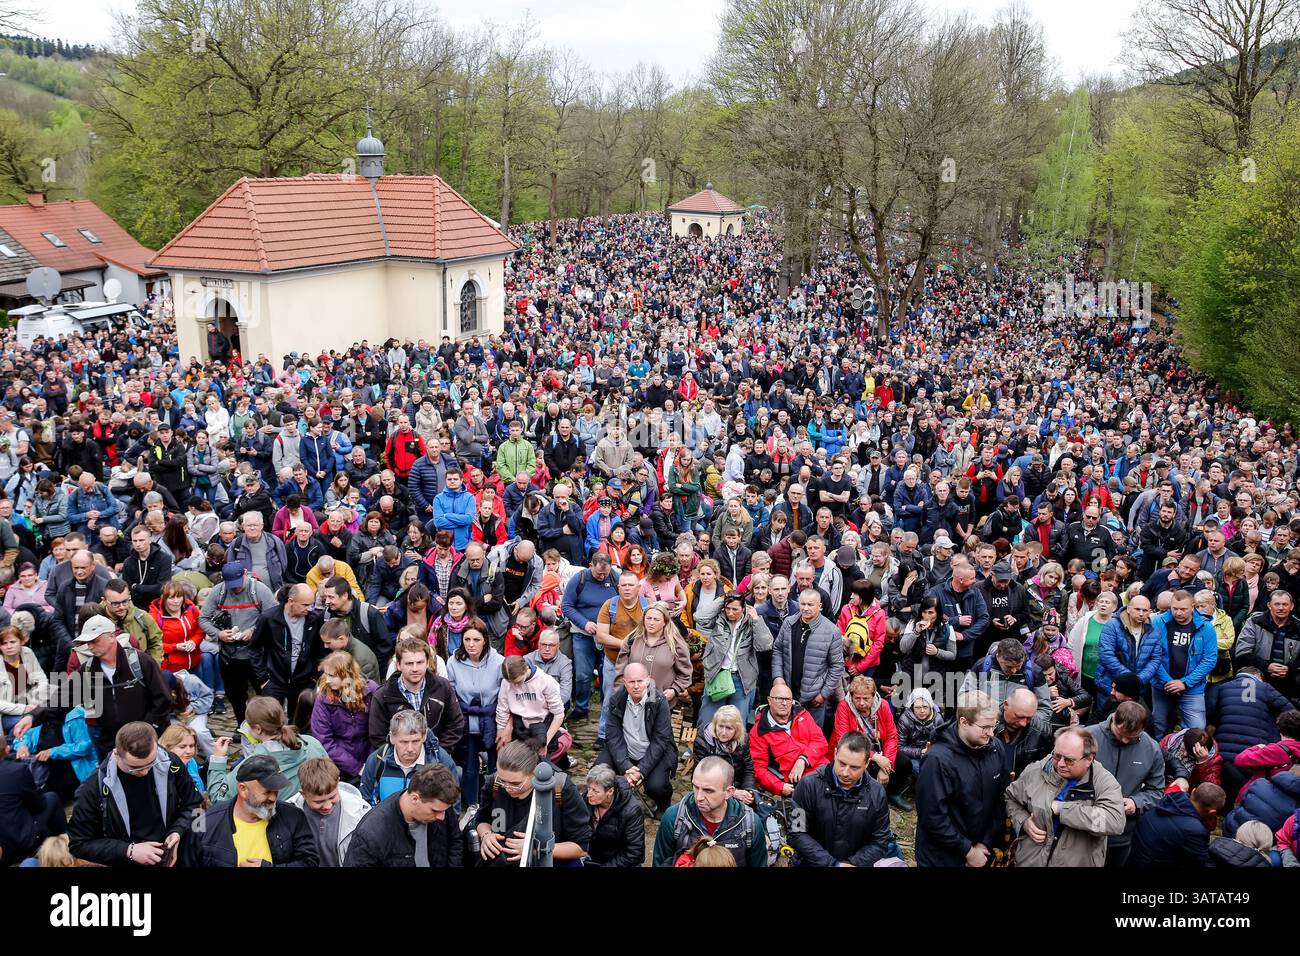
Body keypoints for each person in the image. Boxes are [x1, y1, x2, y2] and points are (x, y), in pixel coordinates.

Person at [66, 721, 203, 867]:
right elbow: (78, 845)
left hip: (172, 855)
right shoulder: (92, 789)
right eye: (134, 768)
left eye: (151, 764)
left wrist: (177, 831)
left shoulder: (171, 763)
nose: (144, 772)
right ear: (117, 754)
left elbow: (194, 804)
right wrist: (129, 850)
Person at [1002, 726, 1126, 866]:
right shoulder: (1036, 771)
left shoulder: (1104, 783)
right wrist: (1023, 822)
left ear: (1089, 759)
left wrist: (1063, 809)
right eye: (1057, 755)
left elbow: (1114, 822)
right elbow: (1011, 798)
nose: (1060, 764)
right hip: (1030, 861)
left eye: (1069, 760)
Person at [914, 691, 1009, 868]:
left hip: (980, 852)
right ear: (964, 722)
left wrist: (985, 843)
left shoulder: (995, 749)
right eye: (985, 727)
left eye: (994, 725)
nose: (991, 733)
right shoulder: (937, 760)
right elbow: (932, 816)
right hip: (940, 858)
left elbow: (1000, 799)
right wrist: (967, 850)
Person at [185, 753, 319, 867]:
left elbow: (310, 861)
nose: (273, 798)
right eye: (267, 792)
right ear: (243, 790)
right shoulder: (205, 822)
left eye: (276, 791)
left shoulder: (293, 817)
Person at [66, 615, 171, 758]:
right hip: (110, 747)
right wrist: (33, 717)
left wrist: (145, 732)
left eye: (94, 641)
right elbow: (62, 699)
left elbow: (163, 700)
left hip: (147, 743)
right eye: (87, 642)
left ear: (111, 636)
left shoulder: (142, 662)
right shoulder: (87, 670)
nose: (90, 646)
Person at [474, 740, 590, 866]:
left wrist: (535, 849)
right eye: (502, 780)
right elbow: (481, 820)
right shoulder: (494, 783)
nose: (507, 788)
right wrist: (486, 835)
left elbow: (580, 848)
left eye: (516, 784)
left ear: (534, 773)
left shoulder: (561, 788)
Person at [790, 731, 895, 867]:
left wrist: (851, 864)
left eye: (854, 767)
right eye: (842, 763)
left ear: (867, 763)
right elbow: (796, 833)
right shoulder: (808, 785)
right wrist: (833, 864)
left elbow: (881, 840)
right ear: (835, 753)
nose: (845, 773)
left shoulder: (877, 793)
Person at [1086, 701, 1166, 867]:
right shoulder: (1086, 737)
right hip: (1082, 828)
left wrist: (1136, 803)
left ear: (1143, 729)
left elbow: (1157, 791)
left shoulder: (1152, 749)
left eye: (1131, 737)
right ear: (1113, 719)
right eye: (1120, 733)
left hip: (1120, 834)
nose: (1124, 740)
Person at [201, 563, 279, 727]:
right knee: (235, 695)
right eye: (232, 586)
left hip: (257, 655)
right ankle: (242, 726)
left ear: (245, 574)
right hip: (230, 655)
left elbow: (273, 617)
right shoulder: (219, 592)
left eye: (238, 584)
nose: (235, 589)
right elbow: (203, 618)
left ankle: (269, 726)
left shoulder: (260, 590)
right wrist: (219, 634)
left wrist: (253, 631)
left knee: (265, 694)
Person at [208, 696, 328, 802]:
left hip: (274, 823)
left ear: (258, 729)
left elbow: (219, 798)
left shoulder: (252, 765)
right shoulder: (312, 742)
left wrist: (218, 759)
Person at [654, 755, 767, 867]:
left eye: (708, 790)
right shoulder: (674, 818)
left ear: (729, 792)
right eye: (695, 787)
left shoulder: (749, 824)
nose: (699, 797)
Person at [345, 763, 463, 867]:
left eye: (444, 811)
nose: (442, 817)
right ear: (415, 799)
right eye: (435, 811)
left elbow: (455, 842)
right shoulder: (371, 834)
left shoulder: (441, 805)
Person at [597, 662, 676, 813]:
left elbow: (660, 740)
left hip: (653, 753)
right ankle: (606, 804)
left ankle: (664, 803)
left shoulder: (658, 701)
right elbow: (613, 736)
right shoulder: (616, 700)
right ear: (624, 683)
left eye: (640, 681)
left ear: (648, 680)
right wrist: (626, 766)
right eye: (631, 682)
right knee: (599, 773)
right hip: (625, 750)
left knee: (656, 787)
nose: (636, 686)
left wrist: (641, 770)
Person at [368, 635, 464, 752]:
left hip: (436, 757)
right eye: (409, 663)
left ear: (427, 663)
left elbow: (455, 724)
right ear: (398, 665)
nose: (415, 668)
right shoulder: (382, 696)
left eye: (420, 662)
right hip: (399, 761)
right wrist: (401, 756)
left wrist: (437, 751)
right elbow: (377, 736)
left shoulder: (442, 687)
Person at [444, 623, 504, 804]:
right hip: (466, 719)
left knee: (496, 765)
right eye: (467, 639)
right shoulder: (453, 662)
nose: (471, 644)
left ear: (485, 640)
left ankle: (496, 803)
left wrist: (503, 724)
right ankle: (472, 804)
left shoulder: (499, 661)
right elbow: (452, 692)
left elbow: (504, 694)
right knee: (470, 766)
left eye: (476, 640)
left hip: (492, 719)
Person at [770, 587, 844, 725]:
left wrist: (823, 694)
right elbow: (778, 650)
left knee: (811, 741)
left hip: (814, 699)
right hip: (787, 695)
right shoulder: (789, 623)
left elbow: (837, 666)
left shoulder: (832, 631)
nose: (805, 608)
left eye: (810, 604)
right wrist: (778, 677)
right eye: (802, 604)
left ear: (820, 606)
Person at [1149, 589, 1218, 735]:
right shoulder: (1157, 623)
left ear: (1193, 606)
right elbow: (1152, 655)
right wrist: (1168, 681)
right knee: (1158, 724)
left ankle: (1187, 755)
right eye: (1175, 608)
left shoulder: (1206, 627)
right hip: (1162, 685)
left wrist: (1185, 682)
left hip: (1193, 687)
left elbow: (1209, 659)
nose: (1178, 613)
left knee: (1197, 729)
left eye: (1183, 609)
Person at [699, 592, 773, 727]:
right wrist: (722, 600)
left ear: (743, 608)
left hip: (742, 678)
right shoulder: (718, 619)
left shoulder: (751, 621)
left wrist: (756, 620)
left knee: (737, 722)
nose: (731, 613)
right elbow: (699, 618)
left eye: (735, 609)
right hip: (716, 674)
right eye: (728, 608)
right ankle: (705, 746)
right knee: (708, 720)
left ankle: (734, 748)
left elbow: (765, 645)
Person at [560, 551, 618, 722]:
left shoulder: (614, 578)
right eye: (598, 573)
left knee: (606, 674)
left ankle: (605, 709)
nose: (601, 577)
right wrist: (584, 623)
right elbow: (567, 606)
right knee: (582, 674)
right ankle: (581, 707)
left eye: (605, 574)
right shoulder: (579, 579)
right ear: (590, 566)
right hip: (583, 634)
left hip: (608, 635)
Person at [286, 757, 370, 867]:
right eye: (318, 801)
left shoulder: (360, 811)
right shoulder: (289, 813)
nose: (327, 806)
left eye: (332, 797)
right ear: (303, 794)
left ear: (338, 783)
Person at [749, 683, 830, 797]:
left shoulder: (802, 714)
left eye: (788, 699)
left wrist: (803, 759)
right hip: (797, 782)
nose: (784, 703)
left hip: (822, 768)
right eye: (779, 699)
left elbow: (820, 742)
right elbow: (758, 769)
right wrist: (779, 787)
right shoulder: (760, 731)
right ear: (769, 700)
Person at [250, 582, 323, 708]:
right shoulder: (269, 618)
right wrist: (263, 679)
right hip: (274, 680)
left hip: (303, 681)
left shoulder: (314, 619)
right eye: (305, 605)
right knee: (271, 720)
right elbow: (254, 648)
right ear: (291, 601)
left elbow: (319, 651)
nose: (309, 608)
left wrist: (314, 678)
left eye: (311, 604)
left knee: (299, 721)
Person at [310, 651, 378, 784]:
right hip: (339, 767)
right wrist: (356, 767)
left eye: (332, 676)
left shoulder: (371, 691)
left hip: (370, 759)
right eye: (326, 674)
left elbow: (378, 729)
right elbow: (324, 740)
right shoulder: (323, 699)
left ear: (347, 675)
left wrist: (370, 763)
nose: (327, 680)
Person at [0, 733, 66, 867]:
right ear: (7, 750)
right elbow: (38, 804)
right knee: (51, 798)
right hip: (22, 841)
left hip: (4, 847)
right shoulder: (16, 770)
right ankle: (63, 845)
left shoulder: (14, 770)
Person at [1130, 782, 1226, 867]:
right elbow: (1199, 861)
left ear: (1193, 791)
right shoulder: (1195, 830)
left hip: (1135, 856)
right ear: (1212, 812)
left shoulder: (1170, 800)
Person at [495, 653, 567, 761]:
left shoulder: (545, 681)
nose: (516, 686)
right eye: (512, 683)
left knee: (540, 769)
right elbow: (502, 708)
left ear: (526, 669)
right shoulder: (507, 683)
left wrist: (545, 742)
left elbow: (559, 714)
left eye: (519, 682)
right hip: (520, 727)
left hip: (542, 727)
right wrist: (501, 731)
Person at [1232, 589, 1300, 701]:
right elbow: (1242, 652)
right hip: (1257, 679)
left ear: (1291, 606)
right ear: (1269, 605)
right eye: (1277, 604)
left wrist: (1290, 669)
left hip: (1289, 681)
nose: (1281, 608)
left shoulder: (1298, 627)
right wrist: (1267, 666)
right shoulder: (1255, 622)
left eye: (1285, 604)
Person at [321, 575, 394, 673]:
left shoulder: (369, 613)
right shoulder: (326, 616)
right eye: (326, 597)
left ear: (345, 596)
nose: (327, 601)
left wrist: (371, 668)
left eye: (331, 597)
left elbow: (385, 647)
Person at [584, 763, 646, 867]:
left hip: (616, 863)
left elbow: (634, 853)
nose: (589, 794)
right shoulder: (587, 800)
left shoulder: (631, 811)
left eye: (595, 791)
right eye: (589, 788)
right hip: (589, 860)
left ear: (610, 791)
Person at [524, 628, 573, 711]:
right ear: (538, 645)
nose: (547, 649)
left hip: (556, 704)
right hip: (531, 704)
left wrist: (546, 706)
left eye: (551, 645)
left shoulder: (565, 663)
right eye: (543, 644)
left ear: (558, 646)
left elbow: (565, 693)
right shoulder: (527, 659)